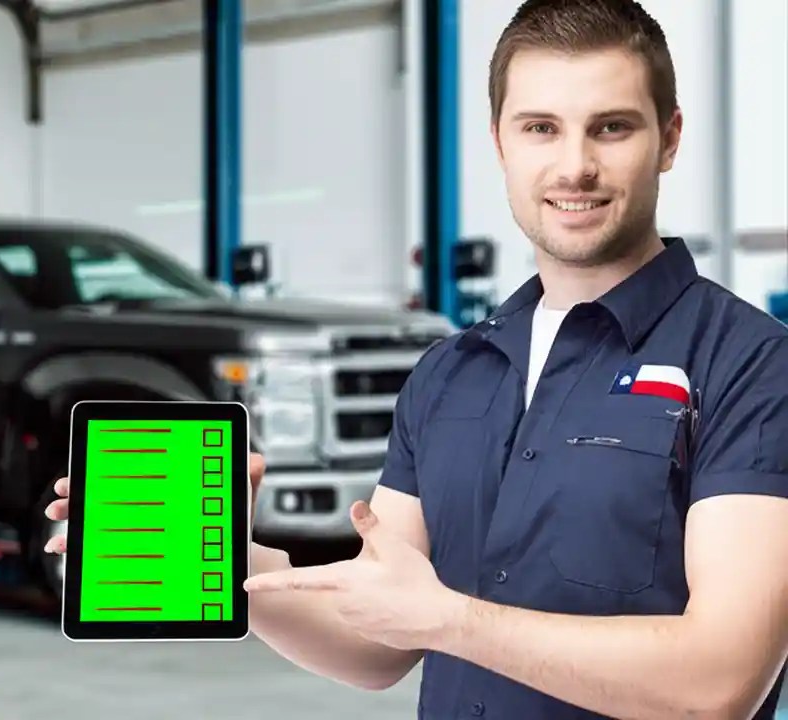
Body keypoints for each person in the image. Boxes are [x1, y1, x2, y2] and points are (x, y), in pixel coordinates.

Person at [44, 0, 788, 717]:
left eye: (611, 128)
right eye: (541, 128)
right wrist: (224, 562)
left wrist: (450, 622)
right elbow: (378, 644)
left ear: (670, 137)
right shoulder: (451, 372)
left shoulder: (751, 365)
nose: (575, 165)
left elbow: (717, 683)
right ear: (500, 141)